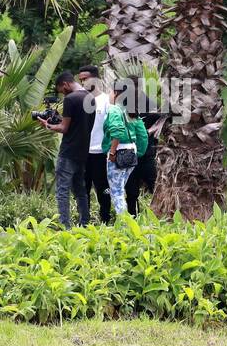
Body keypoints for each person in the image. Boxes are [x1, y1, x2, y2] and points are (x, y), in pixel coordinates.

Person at [37, 72, 93, 227]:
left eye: (61, 90)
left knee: (62, 191)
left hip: (68, 152)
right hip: (83, 151)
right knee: (80, 190)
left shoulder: (70, 99)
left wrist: (47, 125)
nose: (62, 93)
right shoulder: (90, 97)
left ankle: (65, 226)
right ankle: (85, 224)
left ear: (65, 84)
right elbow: (79, 124)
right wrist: (59, 120)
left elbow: (64, 128)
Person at [101, 92, 148, 216]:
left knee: (116, 192)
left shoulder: (115, 109)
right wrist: (138, 153)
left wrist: (112, 152)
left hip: (117, 152)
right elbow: (142, 135)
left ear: (116, 94)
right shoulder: (131, 111)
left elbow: (117, 132)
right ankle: (126, 221)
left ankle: (123, 223)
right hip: (131, 152)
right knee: (120, 189)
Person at [75, 65, 112, 224]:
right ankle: (84, 223)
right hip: (81, 154)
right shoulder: (77, 99)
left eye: (86, 79)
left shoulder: (106, 101)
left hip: (100, 154)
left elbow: (112, 127)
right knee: (82, 191)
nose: (83, 82)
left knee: (103, 189)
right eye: (81, 79)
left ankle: (105, 221)